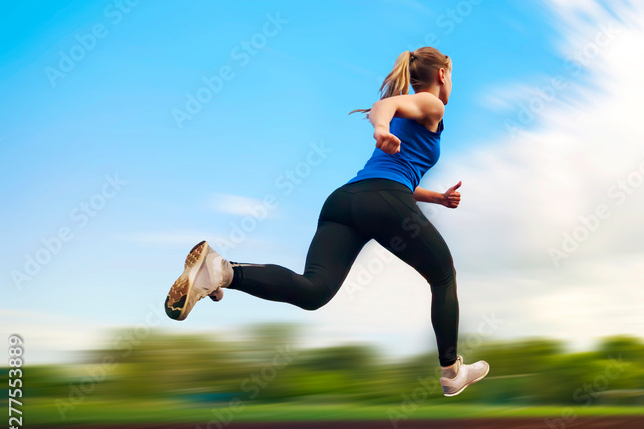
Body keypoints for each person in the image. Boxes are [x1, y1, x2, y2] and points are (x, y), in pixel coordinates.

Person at [163, 46, 489, 397]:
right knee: (443, 275)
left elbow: (398, 176)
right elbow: (384, 107)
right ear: (443, 74)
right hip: (381, 199)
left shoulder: (414, 116)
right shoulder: (431, 104)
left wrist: (437, 197)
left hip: (346, 202)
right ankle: (452, 370)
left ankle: (222, 271)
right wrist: (380, 127)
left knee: (314, 290)